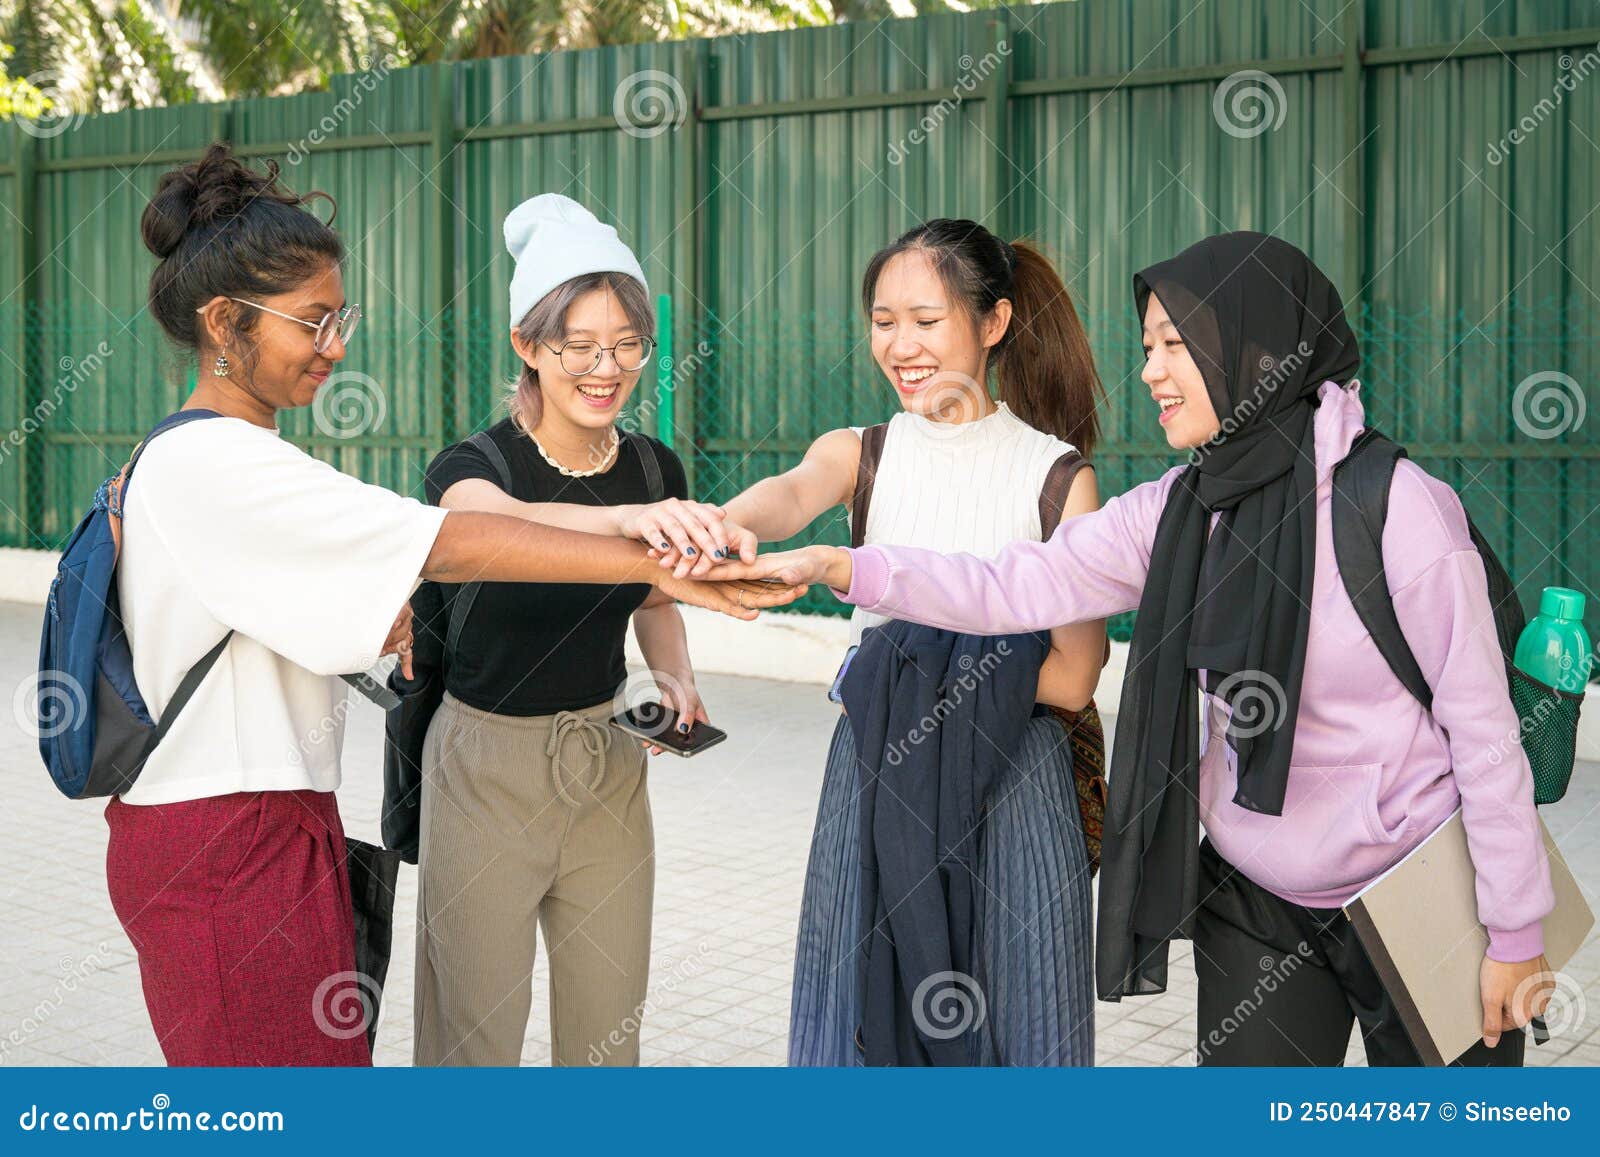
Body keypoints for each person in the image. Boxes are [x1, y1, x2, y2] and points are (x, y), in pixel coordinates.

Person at [726, 231, 1556, 1066]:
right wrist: (844, 564)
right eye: (1148, 345)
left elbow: (1483, 736)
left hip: (1413, 886)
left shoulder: (1399, 507)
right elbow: (1016, 584)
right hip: (1256, 890)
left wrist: (1516, 930)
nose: (1151, 369)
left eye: (1175, 346)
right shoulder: (1180, 508)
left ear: (1257, 351)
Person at [107, 144, 800, 1067]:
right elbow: (457, 535)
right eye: (316, 321)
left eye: (627, 344)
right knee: (429, 1052)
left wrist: (662, 639)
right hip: (242, 831)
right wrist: (645, 548)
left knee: (592, 1038)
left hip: (309, 814)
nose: (338, 345)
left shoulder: (243, 460)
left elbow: (349, 600)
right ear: (227, 322)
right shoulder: (222, 463)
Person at [653, 219, 1107, 1065]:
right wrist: (716, 531)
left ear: (995, 322)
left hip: (1013, 780)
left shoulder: (1057, 476)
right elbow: (785, 498)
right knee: (851, 1005)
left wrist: (914, 665)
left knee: (1024, 1019)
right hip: (873, 767)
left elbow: (1076, 675)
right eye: (883, 320)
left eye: (927, 321)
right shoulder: (860, 453)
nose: (901, 345)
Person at [412, 194, 713, 1067]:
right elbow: (491, 527)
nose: (604, 367)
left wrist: (674, 674)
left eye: (627, 344)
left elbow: (654, 597)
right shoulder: (476, 465)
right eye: (577, 345)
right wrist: (637, 524)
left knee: (606, 1038)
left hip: (607, 761)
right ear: (527, 346)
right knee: (473, 1039)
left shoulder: (654, 466)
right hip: (484, 767)